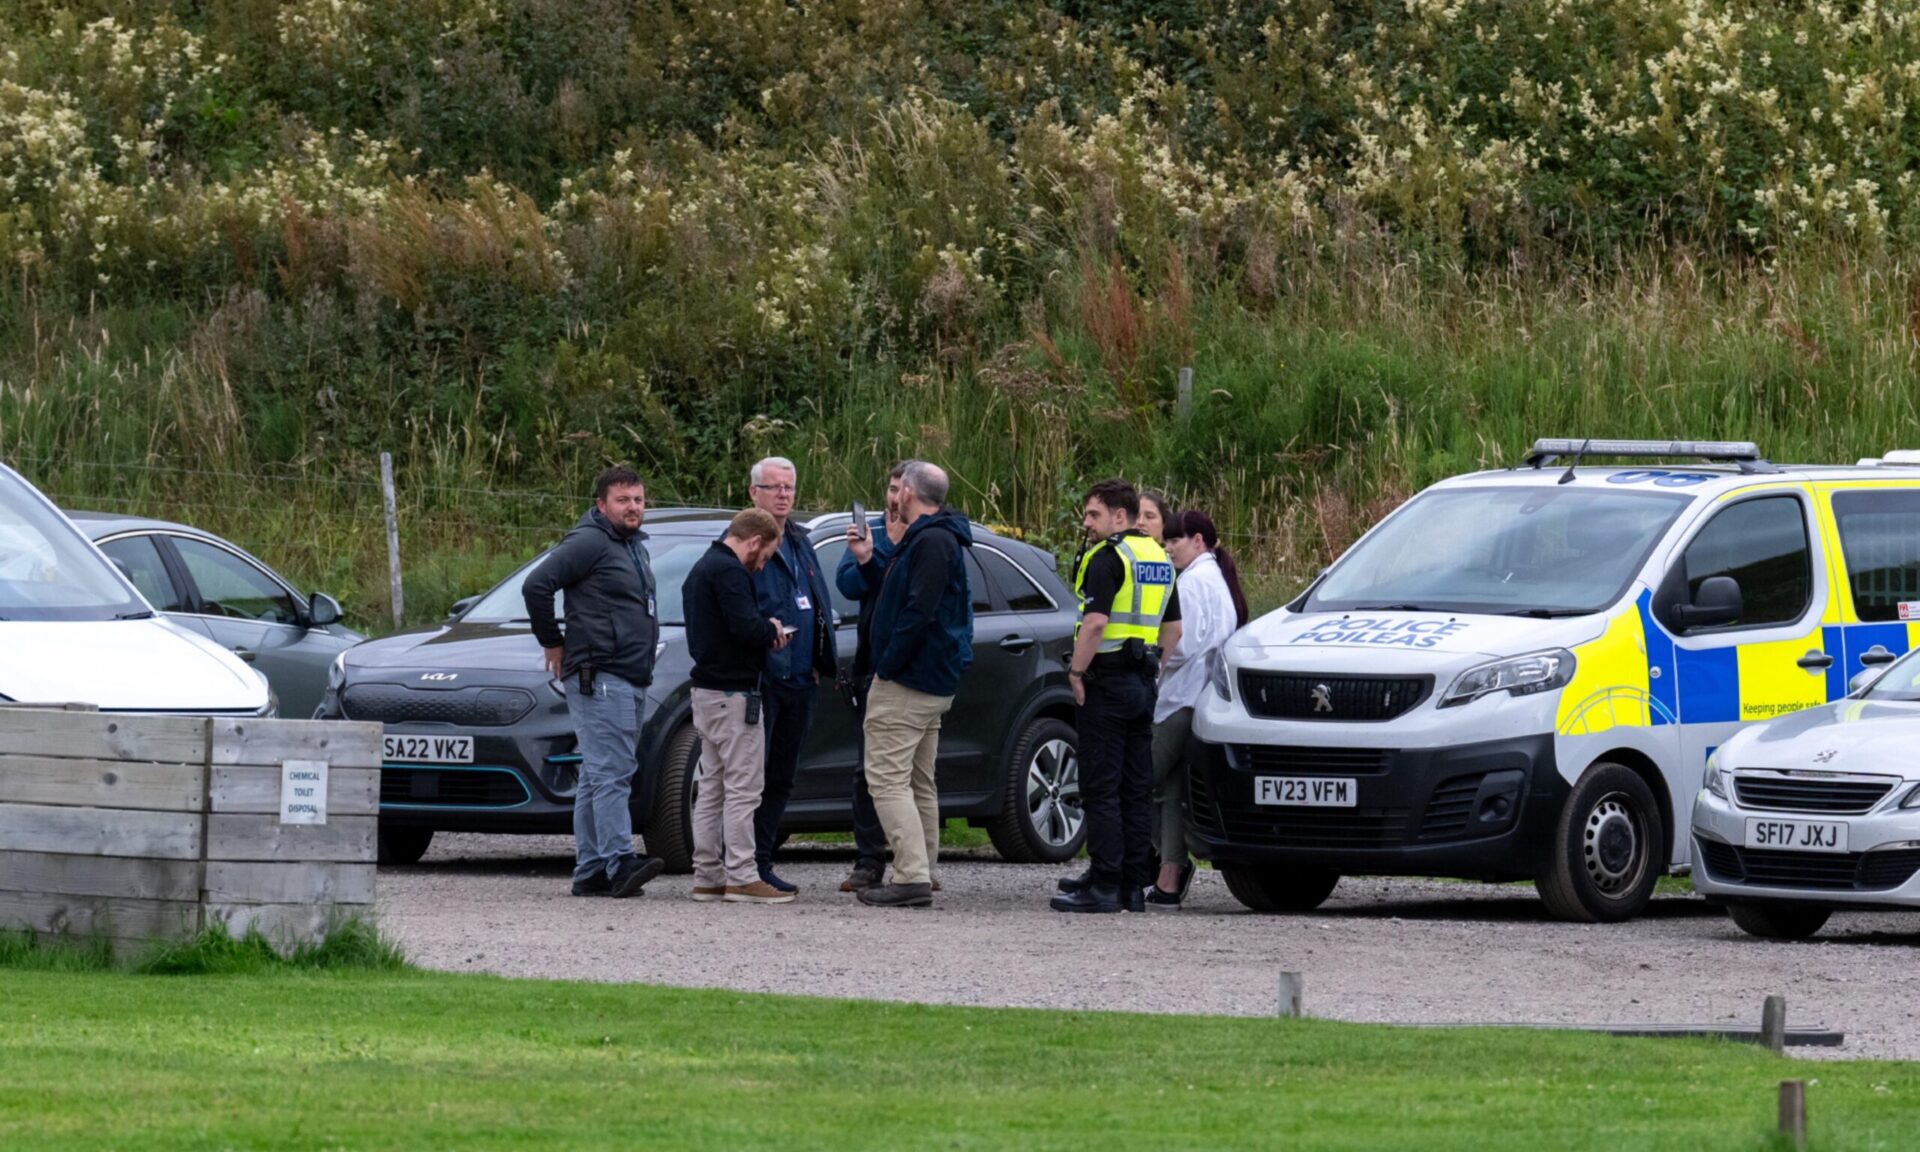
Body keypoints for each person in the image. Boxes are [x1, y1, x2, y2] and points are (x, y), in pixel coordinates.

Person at [523, 465, 666, 899]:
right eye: (623, 500)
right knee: (611, 772)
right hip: (600, 674)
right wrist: (553, 642)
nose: (633, 508)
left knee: (596, 773)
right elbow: (536, 586)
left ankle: (591, 870)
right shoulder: (589, 541)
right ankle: (619, 861)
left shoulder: (630, 545)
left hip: (625, 673)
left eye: (639, 500)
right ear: (602, 504)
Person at [1051, 478, 1176, 914]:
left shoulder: (1108, 558)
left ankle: (1104, 884)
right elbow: (1173, 629)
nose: (1087, 523)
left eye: (1093, 514)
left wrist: (1077, 671)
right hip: (1142, 680)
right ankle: (1130, 885)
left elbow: (1096, 623)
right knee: (1135, 787)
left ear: (1118, 516)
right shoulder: (1159, 557)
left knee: (1100, 787)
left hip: (1106, 680)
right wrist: (1152, 668)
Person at [856, 461, 975, 909]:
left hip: (909, 679)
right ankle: (923, 867)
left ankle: (910, 876)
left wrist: (887, 665)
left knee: (886, 778)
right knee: (919, 780)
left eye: (898, 488)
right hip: (933, 679)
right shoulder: (937, 539)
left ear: (907, 492)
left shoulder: (931, 543)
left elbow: (917, 611)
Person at [683, 508, 796, 904]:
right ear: (754, 541)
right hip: (734, 695)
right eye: (763, 557)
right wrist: (773, 630)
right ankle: (743, 874)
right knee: (745, 789)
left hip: (706, 692)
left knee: (712, 787)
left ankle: (707, 874)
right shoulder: (730, 572)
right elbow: (744, 627)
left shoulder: (701, 568)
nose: (761, 565)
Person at [743, 456, 838, 894]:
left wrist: (821, 659)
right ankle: (740, 865)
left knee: (782, 776)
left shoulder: (801, 540)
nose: (783, 494)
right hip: (764, 678)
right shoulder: (744, 543)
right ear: (753, 493)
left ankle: (763, 860)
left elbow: (816, 602)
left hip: (803, 678)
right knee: (751, 778)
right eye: (774, 487)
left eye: (789, 487)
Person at [1146, 510, 1249, 908]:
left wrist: (1148, 655)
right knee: (1168, 789)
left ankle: (1141, 866)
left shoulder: (1190, 582)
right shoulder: (1217, 581)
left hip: (1178, 700)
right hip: (1199, 700)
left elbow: (1181, 645)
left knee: (1135, 780)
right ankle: (1169, 873)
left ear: (1199, 542)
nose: (1169, 546)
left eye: (1176, 539)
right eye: (1167, 540)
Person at [833, 461, 915, 892]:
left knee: (912, 773)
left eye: (903, 488)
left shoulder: (926, 537)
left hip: (916, 668)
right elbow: (848, 581)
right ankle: (869, 860)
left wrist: (878, 558)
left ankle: (917, 864)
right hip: (873, 667)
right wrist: (869, 554)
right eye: (890, 486)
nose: (895, 495)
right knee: (867, 770)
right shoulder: (874, 535)